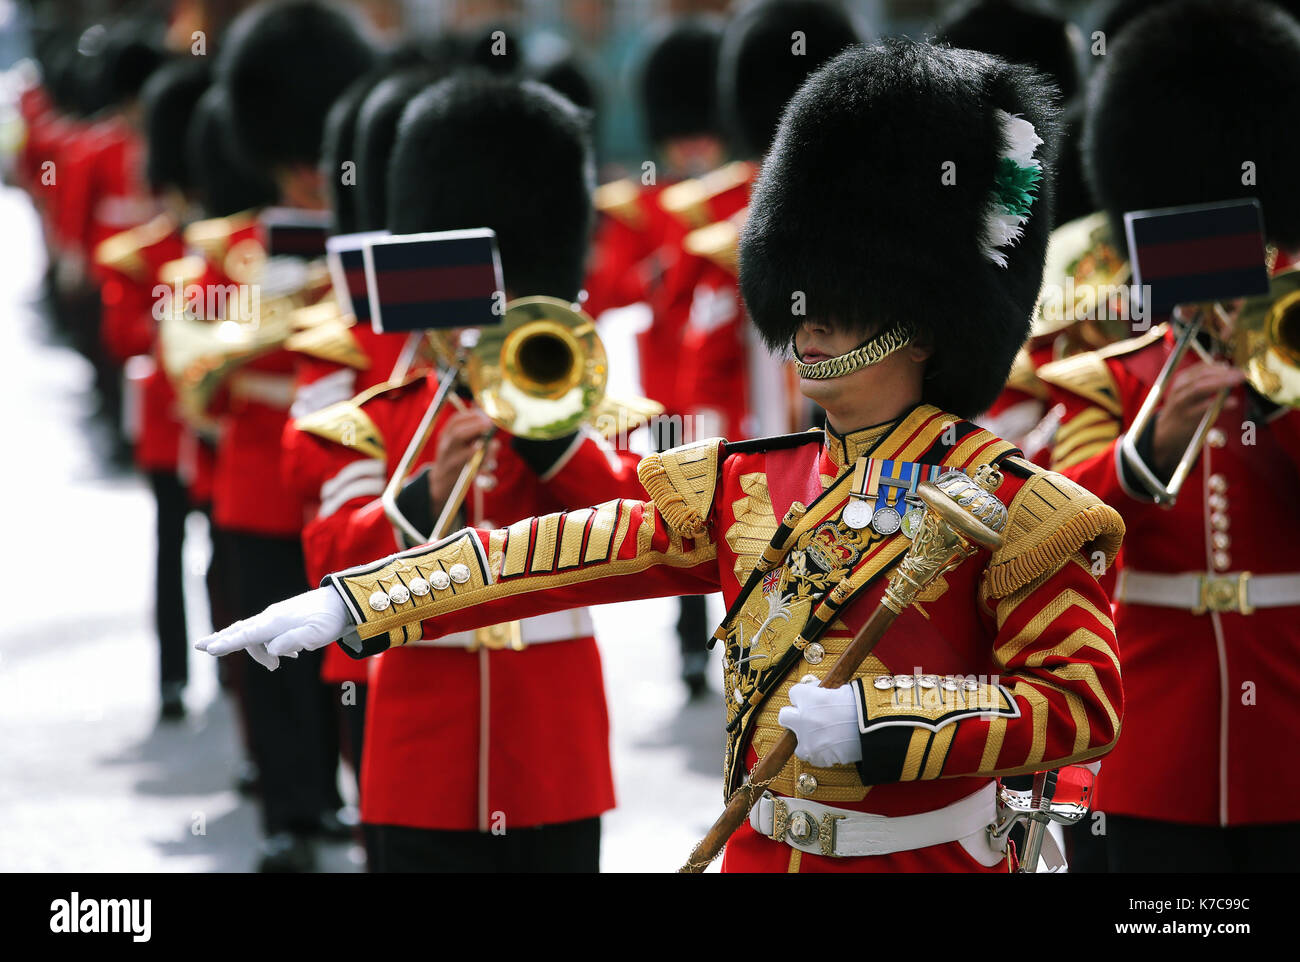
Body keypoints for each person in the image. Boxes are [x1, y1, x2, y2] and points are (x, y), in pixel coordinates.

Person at [203, 39, 1125, 873]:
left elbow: (1080, 706)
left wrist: (885, 723)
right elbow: (554, 555)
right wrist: (357, 601)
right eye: (803, 298)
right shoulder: (749, 482)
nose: (808, 320)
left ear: (925, 323)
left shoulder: (1022, 508)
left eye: (842, 300)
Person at [287, 74, 646, 872]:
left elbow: (641, 528)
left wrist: (550, 439)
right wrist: (421, 495)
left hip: (554, 757)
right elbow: (330, 565)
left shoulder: (570, 394)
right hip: (423, 759)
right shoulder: (371, 413)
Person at [1037, 0, 1300, 872]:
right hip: (1157, 742)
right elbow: (1062, 535)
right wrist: (1148, 454)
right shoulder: (1110, 378)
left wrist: (1274, 399)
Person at [208, 0, 376, 872]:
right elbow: (202, 382)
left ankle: (345, 799)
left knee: (343, 659)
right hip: (255, 487)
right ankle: (291, 810)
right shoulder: (231, 252)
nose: (313, 174)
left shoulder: (363, 255)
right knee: (269, 665)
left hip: (339, 484)